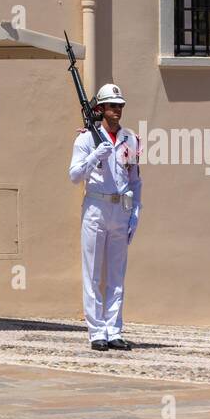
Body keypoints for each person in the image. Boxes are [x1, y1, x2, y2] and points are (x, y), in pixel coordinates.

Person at [68, 83, 142, 351]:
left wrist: (136, 211)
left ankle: (114, 329)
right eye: (112, 106)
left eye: (120, 105)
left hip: (120, 209)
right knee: (92, 270)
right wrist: (93, 158)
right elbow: (74, 175)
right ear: (100, 109)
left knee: (116, 273)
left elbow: (135, 179)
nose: (117, 110)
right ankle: (96, 330)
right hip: (96, 207)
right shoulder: (86, 139)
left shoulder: (130, 139)